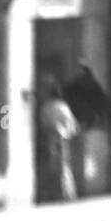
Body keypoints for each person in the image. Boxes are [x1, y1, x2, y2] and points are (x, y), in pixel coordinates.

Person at [37, 71, 80, 202]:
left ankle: (60, 194)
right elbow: (73, 125)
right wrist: (67, 132)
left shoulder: (47, 106)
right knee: (62, 166)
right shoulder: (63, 106)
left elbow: (44, 123)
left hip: (53, 139)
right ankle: (66, 193)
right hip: (62, 139)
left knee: (55, 167)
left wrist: (57, 131)